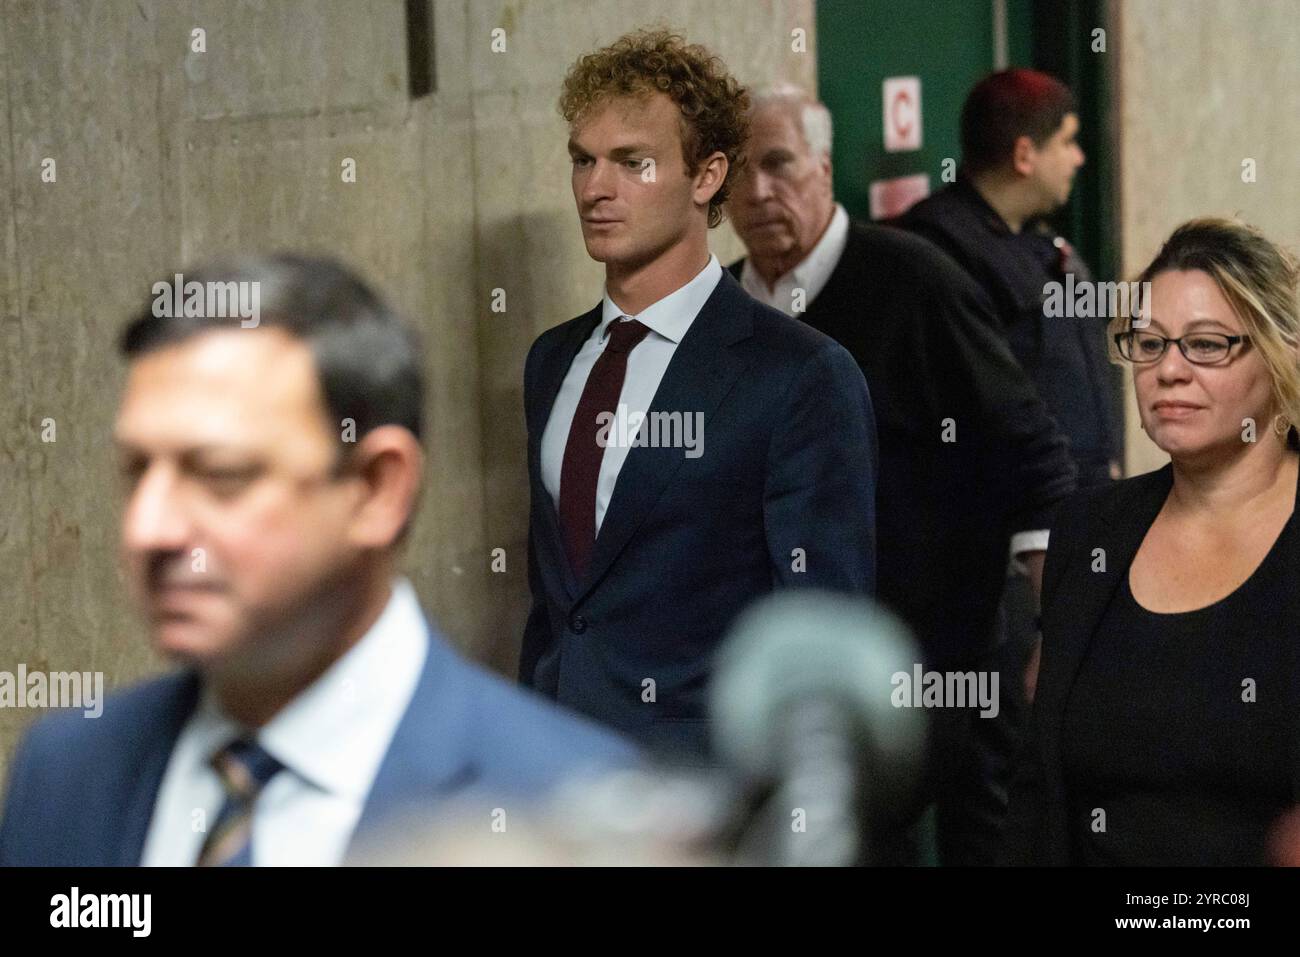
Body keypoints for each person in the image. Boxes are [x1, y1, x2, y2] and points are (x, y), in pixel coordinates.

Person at [0, 255, 637, 867]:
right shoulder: (65, 773)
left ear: (376, 490)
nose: (149, 528)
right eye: (137, 472)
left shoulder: (571, 814)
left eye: (221, 475)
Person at [727, 85, 1076, 865]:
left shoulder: (914, 281)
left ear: (822, 166)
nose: (756, 192)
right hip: (780, 666)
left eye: (779, 165)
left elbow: (1034, 452)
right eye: (738, 172)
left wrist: (1055, 629)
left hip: (934, 662)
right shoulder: (720, 311)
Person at [520, 30, 877, 761]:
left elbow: (818, 637)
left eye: (632, 162)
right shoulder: (552, 362)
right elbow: (561, 603)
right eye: (583, 160)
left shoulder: (800, 375)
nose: (595, 187)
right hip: (559, 787)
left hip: (709, 801)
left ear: (708, 175)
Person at [1004, 218, 1300, 865]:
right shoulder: (1091, 531)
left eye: (1206, 344)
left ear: (1282, 353)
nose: (1168, 370)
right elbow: (1038, 791)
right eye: (1149, 342)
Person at [898, 68, 1122, 489]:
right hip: (1017, 517)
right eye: (1068, 142)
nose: (1079, 158)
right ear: (1024, 155)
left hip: (1083, 500)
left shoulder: (1034, 236)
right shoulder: (940, 251)